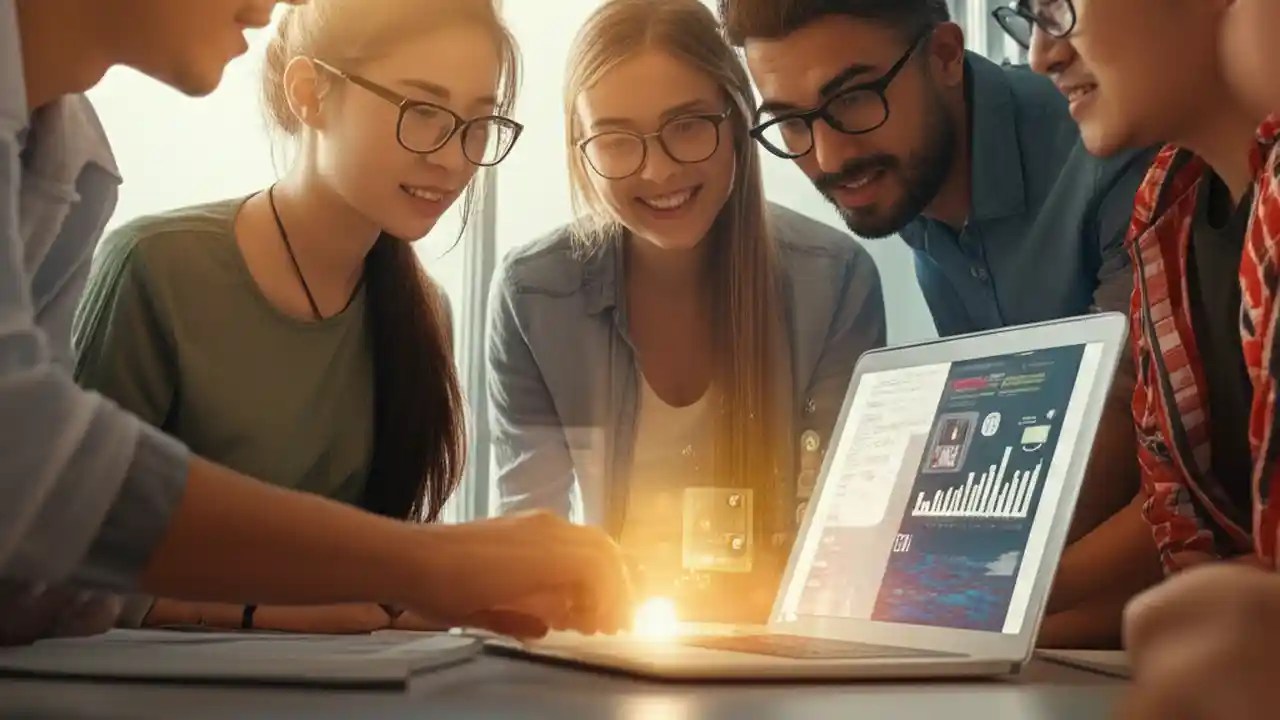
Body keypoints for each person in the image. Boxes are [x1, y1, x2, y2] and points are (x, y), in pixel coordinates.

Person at [0, 0, 629, 646]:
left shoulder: (419, 313)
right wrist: (418, 569)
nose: (452, 158)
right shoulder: (151, 261)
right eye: (423, 112)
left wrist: (429, 596)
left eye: (477, 124)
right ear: (309, 95)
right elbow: (55, 508)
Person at [720, 0, 1155, 646]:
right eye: (789, 123)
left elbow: (1134, 465)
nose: (831, 155)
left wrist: (936, 609)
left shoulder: (1108, 146)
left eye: (856, 98)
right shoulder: (915, 203)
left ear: (947, 56)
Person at [488, 0, 885, 622]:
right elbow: (527, 538)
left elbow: (836, 534)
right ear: (578, 147)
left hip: (778, 655)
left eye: (688, 126)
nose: (658, 169)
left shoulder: (833, 280)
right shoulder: (534, 295)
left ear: (736, 118)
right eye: (616, 140)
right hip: (605, 651)